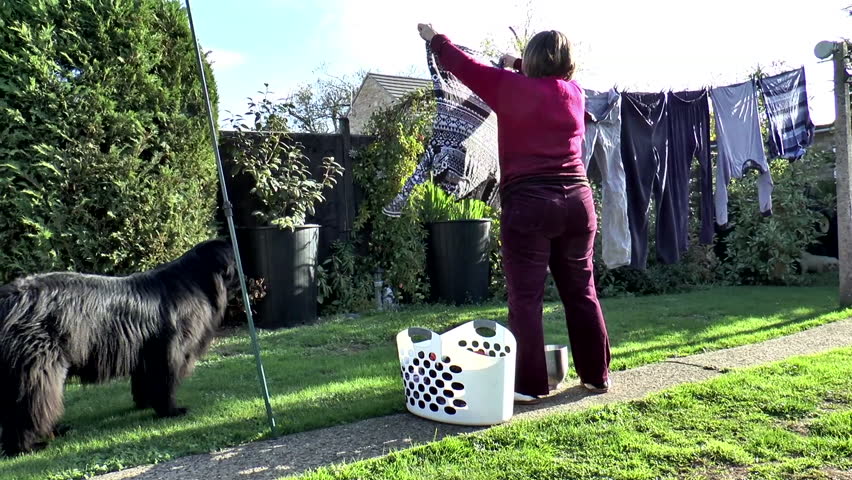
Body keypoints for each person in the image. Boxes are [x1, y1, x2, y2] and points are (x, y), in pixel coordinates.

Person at [416, 23, 611, 405]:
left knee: (526, 298)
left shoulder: (508, 87)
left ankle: (530, 385)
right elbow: (545, 82)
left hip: (529, 204)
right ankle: (596, 376)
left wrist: (435, 38)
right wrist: (517, 62)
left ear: (532, 60)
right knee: (582, 291)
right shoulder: (576, 95)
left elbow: (462, 65)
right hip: (577, 203)